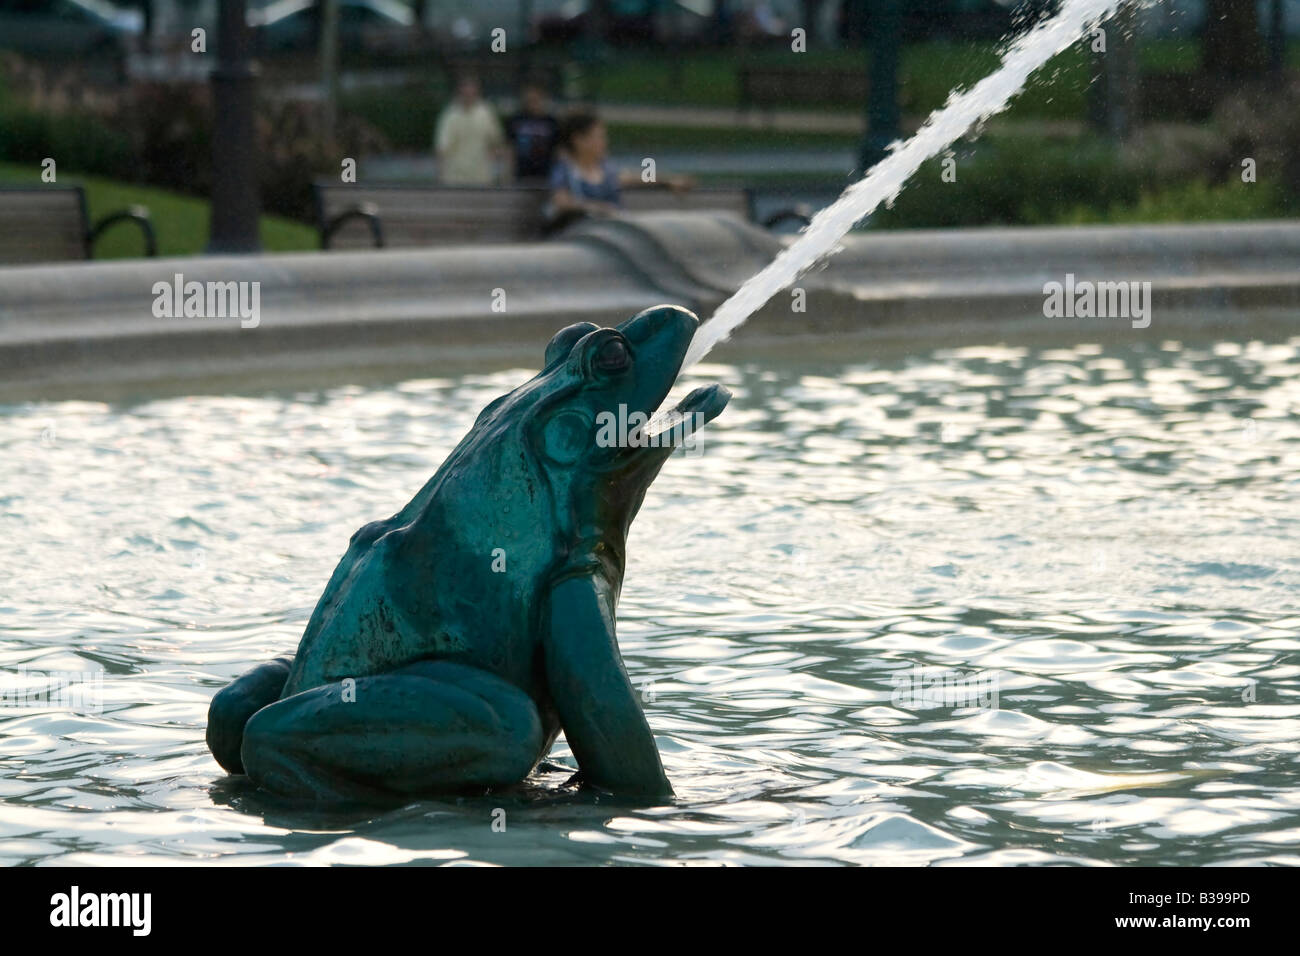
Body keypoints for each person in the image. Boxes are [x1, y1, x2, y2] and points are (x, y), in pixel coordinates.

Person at [545, 110, 694, 234]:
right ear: (578, 140)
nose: (604, 142)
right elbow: (562, 202)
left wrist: (668, 181)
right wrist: (598, 209)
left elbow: (633, 178)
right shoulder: (566, 170)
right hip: (585, 235)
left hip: (613, 233)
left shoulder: (605, 170)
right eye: (598, 137)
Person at [434, 75, 507, 186]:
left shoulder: (486, 113)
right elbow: (442, 147)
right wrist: (440, 173)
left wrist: (500, 171)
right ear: (459, 91)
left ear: (477, 91)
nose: (468, 93)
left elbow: (497, 142)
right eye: (465, 90)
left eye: (471, 90)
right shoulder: (450, 115)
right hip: (454, 178)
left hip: (482, 177)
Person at [505, 83, 560, 183]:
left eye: (536, 99)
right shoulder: (517, 120)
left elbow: (557, 149)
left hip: (545, 173)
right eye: (529, 100)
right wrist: (509, 172)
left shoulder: (551, 122)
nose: (533, 103)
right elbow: (510, 147)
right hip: (522, 173)